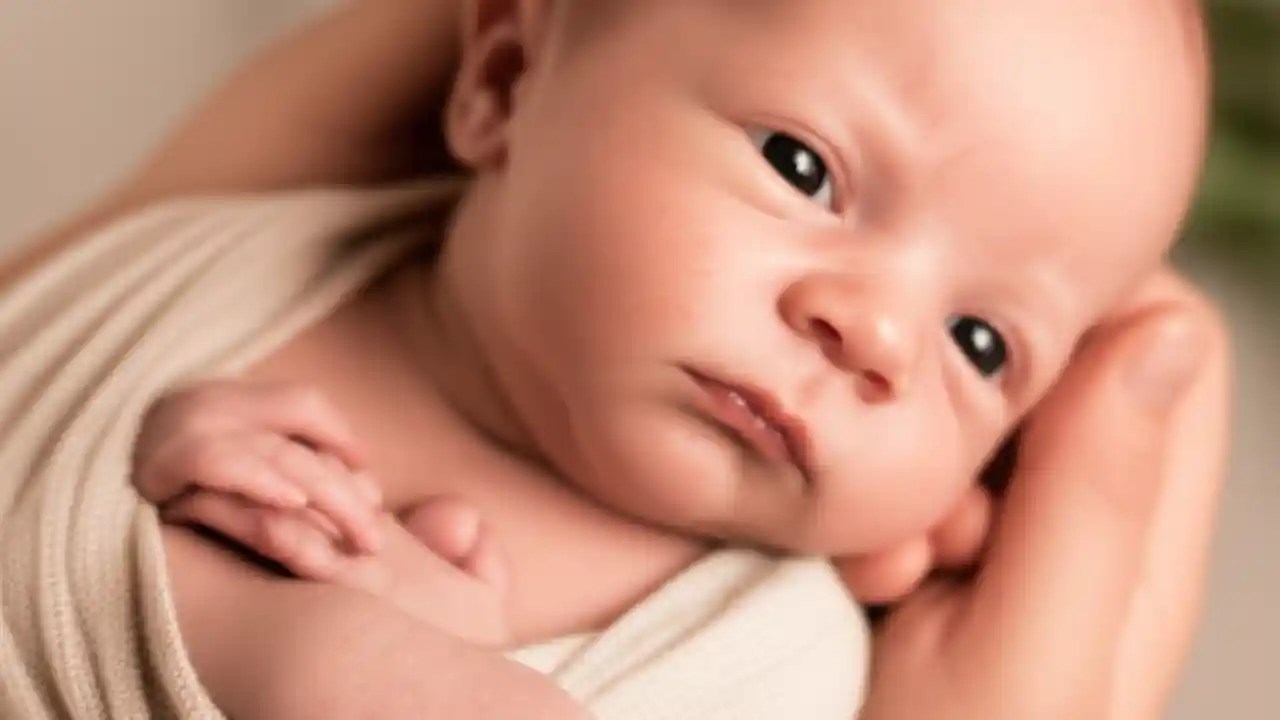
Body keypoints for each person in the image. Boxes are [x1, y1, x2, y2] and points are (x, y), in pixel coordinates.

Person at [1, 1, 1230, 718]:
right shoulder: (213, 251)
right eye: (801, 168)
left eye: (979, 343)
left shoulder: (781, 670)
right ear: (505, 72)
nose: (878, 337)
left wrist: (364, 656)